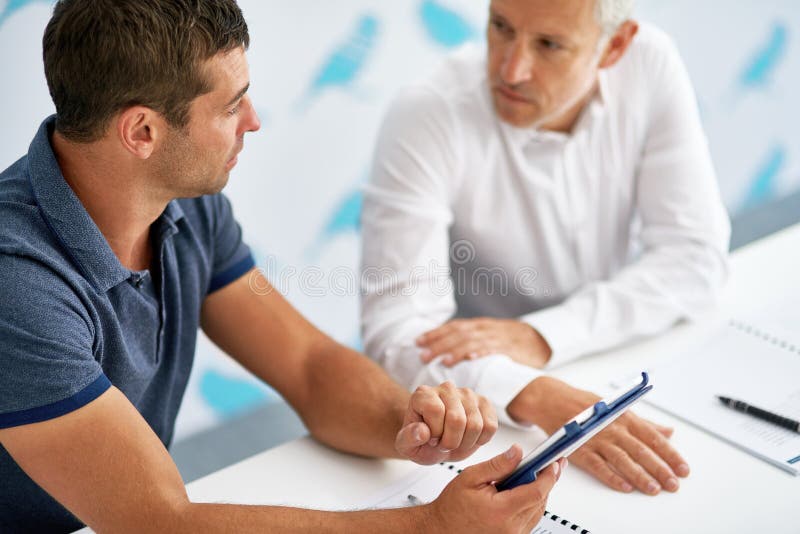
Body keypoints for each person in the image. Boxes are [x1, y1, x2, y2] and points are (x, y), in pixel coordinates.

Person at [0, 1, 566, 532]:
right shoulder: (16, 284)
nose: (252, 120)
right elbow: (160, 520)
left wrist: (412, 419)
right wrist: (431, 525)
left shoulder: (185, 206)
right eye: (229, 105)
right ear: (142, 132)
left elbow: (307, 364)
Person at [361, 0, 730, 497]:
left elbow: (696, 256)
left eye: (549, 45)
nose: (511, 69)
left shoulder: (651, 63)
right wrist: (533, 392)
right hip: (476, 394)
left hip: (610, 357)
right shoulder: (427, 112)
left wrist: (543, 335)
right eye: (501, 27)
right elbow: (398, 331)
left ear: (614, 46)